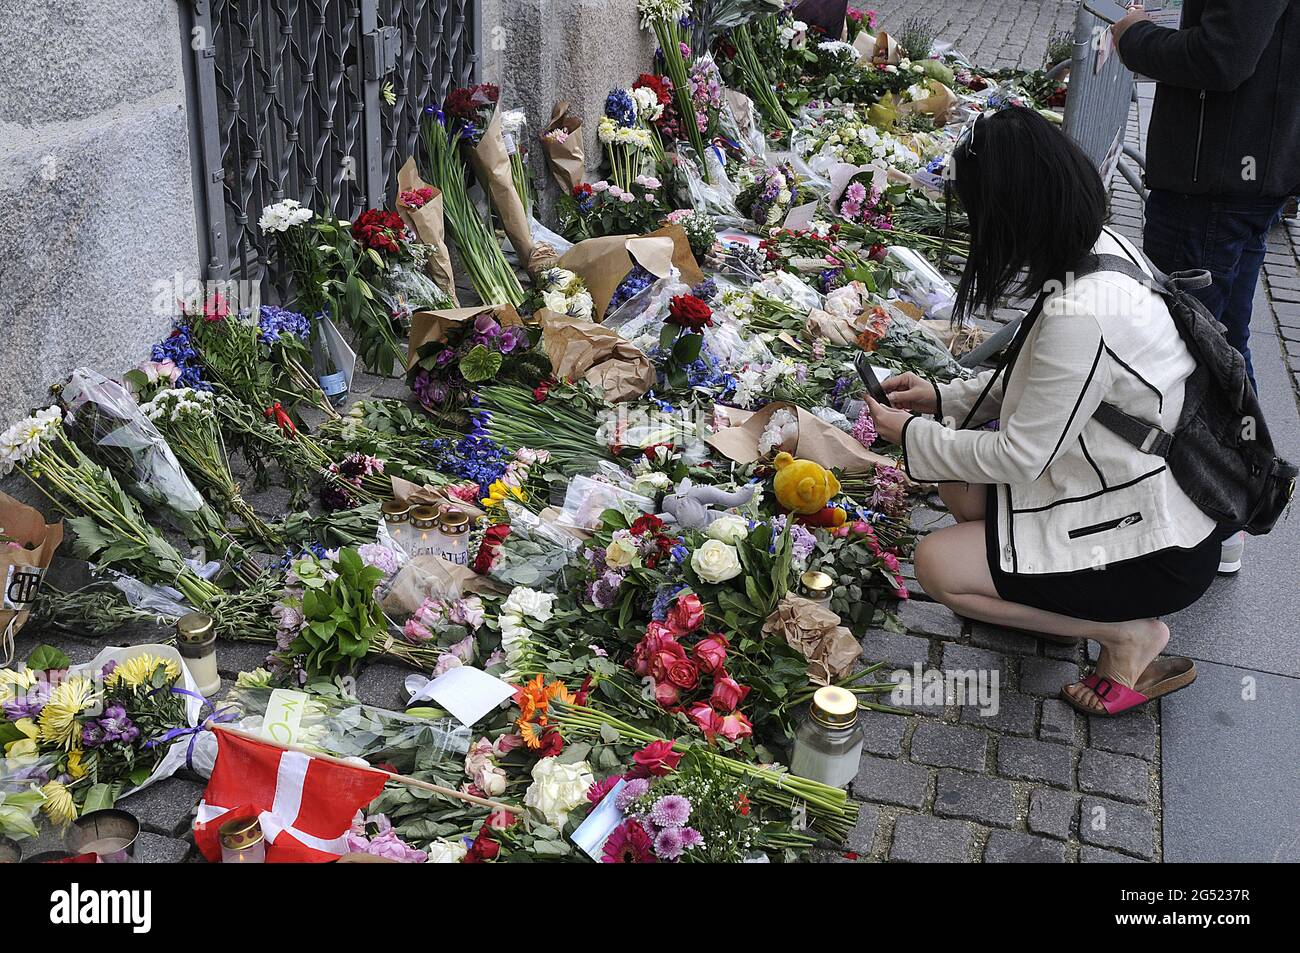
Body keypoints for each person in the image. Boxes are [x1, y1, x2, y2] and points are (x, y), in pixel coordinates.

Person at [866, 107, 1221, 717]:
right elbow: (1049, 387)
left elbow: (1022, 454)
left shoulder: (1079, 312)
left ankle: (1126, 633)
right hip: (1124, 485)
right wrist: (942, 397)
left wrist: (914, 435)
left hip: (1159, 546)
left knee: (936, 564)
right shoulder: (1101, 250)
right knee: (957, 471)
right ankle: (1064, 609)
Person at [1112, 0, 1300, 573]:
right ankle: (1223, 507)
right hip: (1228, 175)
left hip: (1216, 181)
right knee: (1220, 343)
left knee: (1201, 350)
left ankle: (1218, 513)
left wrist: (1134, 37)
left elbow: (1222, 57)